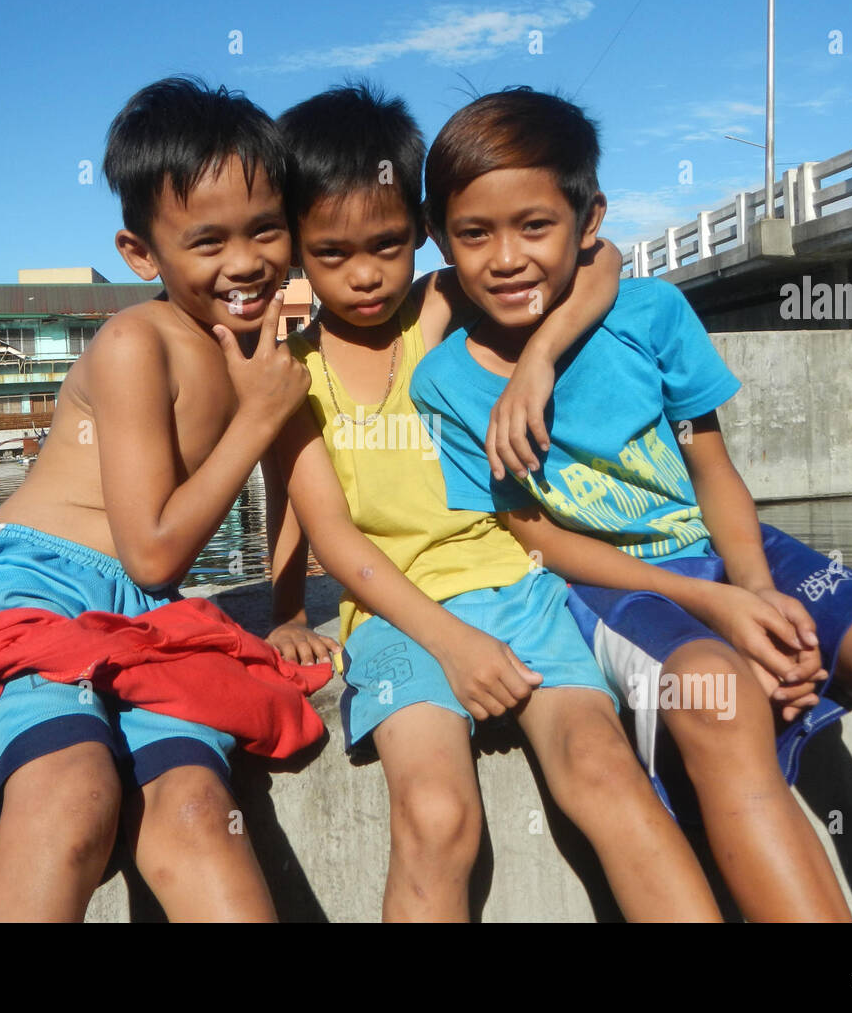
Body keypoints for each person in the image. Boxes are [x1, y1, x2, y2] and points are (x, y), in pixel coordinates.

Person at [410, 86, 852, 921]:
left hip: (729, 550)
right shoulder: (447, 381)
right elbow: (536, 538)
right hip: (613, 586)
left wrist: (758, 588)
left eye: (535, 226)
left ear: (588, 220)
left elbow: (713, 469)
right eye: (473, 234)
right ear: (441, 240)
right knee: (720, 693)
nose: (506, 257)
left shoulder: (651, 313)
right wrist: (718, 603)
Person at [268, 82, 721, 922]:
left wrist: (542, 352)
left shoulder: (439, 305)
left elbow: (604, 259)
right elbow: (319, 523)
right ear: (296, 246)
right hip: (399, 615)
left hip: (525, 586)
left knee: (606, 773)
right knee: (439, 814)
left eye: (389, 243)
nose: (366, 274)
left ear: (423, 232)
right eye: (332, 253)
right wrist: (291, 607)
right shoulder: (289, 380)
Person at [0, 77, 316, 921]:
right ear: (142, 253)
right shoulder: (137, 341)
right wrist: (259, 417)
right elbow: (154, 549)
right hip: (37, 587)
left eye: (266, 229)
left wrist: (287, 610)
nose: (244, 262)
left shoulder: (270, 350)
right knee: (71, 793)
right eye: (206, 240)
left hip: (148, 614)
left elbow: (288, 486)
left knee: (198, 811)